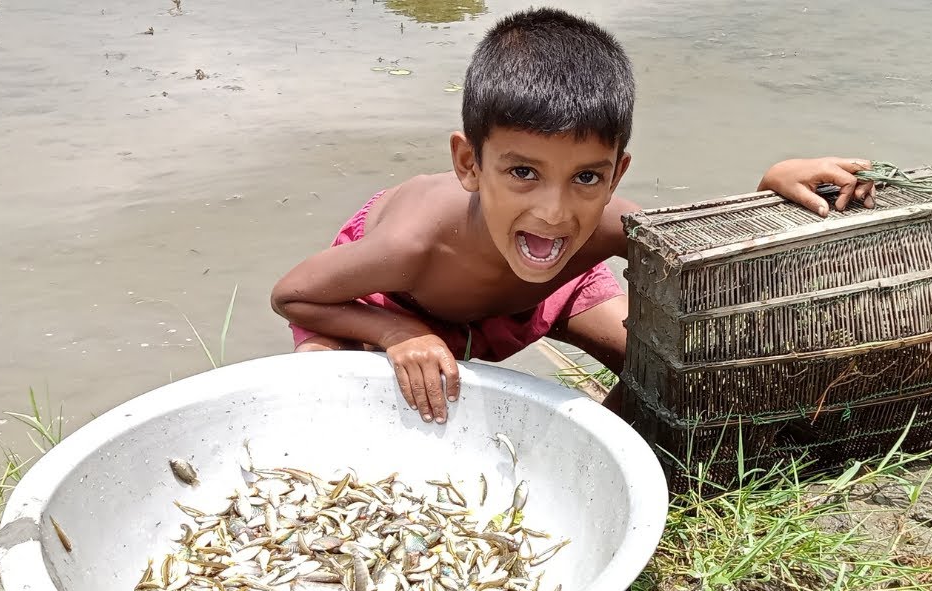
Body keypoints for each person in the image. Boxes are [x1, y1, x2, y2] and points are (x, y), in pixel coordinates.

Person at [271, 7, 875, 424]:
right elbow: (293, 295)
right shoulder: (410, 245)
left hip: (548, 289)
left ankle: (597, 452)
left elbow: (702, 247)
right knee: (326, 376)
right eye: (523, 172)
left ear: (616, 173)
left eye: (586, 177)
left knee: (667, 367)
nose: (555, 211)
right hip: (402, 302)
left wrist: (768, 187)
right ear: (469, 164)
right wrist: (397, 333)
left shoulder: (604, 225)